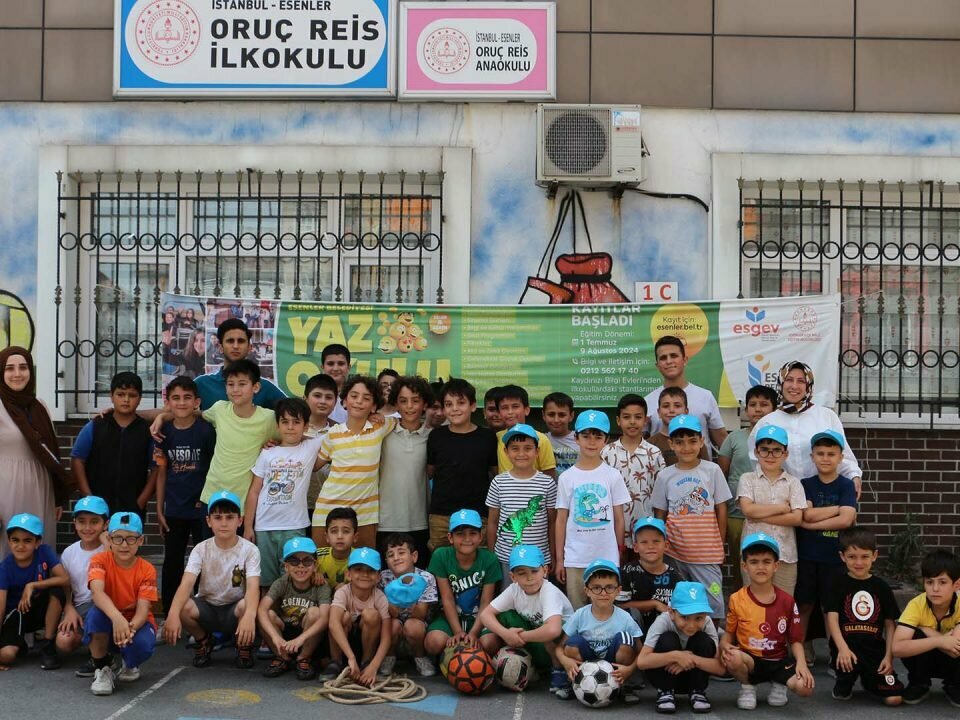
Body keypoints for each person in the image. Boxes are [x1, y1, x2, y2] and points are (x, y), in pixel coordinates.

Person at [163, 490, 261, 669]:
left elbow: (254, 587)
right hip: (207, 608)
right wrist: (172, 614)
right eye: (217, 517)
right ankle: (204, 640)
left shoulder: (250, 550)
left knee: (250, 605)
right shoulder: (201, 549)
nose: (224, 523)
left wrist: (249, 615)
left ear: (239, 520)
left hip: (234, 609)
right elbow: (186, 583)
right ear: (208, 521)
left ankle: (243, 644)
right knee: (183, 607)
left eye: (230, 517)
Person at [652, 415, 731, 623]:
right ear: (671, 444)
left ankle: (711, 643)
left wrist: (720, 543)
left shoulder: (712, 470)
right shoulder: (665, 476)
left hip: (707, 553)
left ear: (702, 441)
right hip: (675, 553)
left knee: (713, 603)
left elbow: (721, 508)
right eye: (679, 442)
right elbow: (660, 513)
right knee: (680, 603)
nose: (686, 447)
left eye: (692, 441)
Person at [721, 533, 814, 710]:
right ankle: (748, 686)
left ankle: (780, 683)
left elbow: (795, 639)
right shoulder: (736, 599)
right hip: (751, 660)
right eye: (754, 562)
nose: (760, 567)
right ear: (745, 566)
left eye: (766, 561)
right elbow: (729, 634)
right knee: (732, 658)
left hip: (778, 660)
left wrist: (802, 664)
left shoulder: (787, 600)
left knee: (806, 688)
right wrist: (724, 646)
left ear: (776, 566)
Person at [0, 347, 74, 558]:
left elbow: (51, 453)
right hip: (6, 490)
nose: (17, 374)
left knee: (39, 548)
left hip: (41, 488)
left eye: (23, 367)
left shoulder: (40, 406)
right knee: (8, 549)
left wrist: (58, 497)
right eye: (9, 368)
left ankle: (37, 591)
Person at [244, 398, 323, 591]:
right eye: (285, 422)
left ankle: (288, 619)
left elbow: (339, 433)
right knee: (266, 582)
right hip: (264, 527)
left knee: (294, 580)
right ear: (277, 425)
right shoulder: (267, 453)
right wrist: (248, 526)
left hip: (295, 526)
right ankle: (266, 618)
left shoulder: (310, 447)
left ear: (306, 426)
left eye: (296, 422)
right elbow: (254, 491)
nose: (290, 427)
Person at [750, 361, 863, 498]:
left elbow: (842, 453)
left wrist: (854, 476)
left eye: (801, 381)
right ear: (781, 383)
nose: (794, 386)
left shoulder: (826, 416)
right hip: (782, 497)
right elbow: (757, 462)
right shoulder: (767, 422)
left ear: (808, 385)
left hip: (823, 494)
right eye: (789, 380)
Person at [153, 376, 216, 615]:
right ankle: (170, 611)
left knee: (203, 560)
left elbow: (213, 467)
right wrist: (159, 509)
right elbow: (161, 471)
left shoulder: (206, 431)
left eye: (187, 398)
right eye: (176, 398)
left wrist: (207, 502)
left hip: (201, 507)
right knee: (173, 561)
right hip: (174, 509)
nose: (181, 403)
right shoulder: (164, 432)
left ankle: (201, 612)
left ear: (196, 402)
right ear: (167, 402)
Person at [312, 376, 397, 549]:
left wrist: (380, 416)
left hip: (364, 514)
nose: (359, 402)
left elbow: (402, 420)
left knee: (364, 569)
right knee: (321, 569)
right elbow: (313, 466)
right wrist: (278, 443)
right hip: (327, 511)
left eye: (366, 398)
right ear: (344, 401)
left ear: (373, 406)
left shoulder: (380, 427)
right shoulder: (332, 434)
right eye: (354, 396)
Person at [555, 411, 629, 609]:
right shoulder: (567, 477)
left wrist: (619, 550)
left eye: (598, 436)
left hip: (607, 557)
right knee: (577, 610)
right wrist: (560, 559)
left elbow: (619, 518)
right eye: (586, 435)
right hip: (576, 558)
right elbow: (561, 519)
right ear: (576, 438)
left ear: (606, 440)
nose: (591, 441)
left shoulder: (613, 475)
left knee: (605, 608)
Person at [795, 429, 858, 654]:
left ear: (841, 457)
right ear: (812, 456)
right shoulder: (805, 484)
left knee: (830, 608)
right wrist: (836, 509)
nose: (825, 458)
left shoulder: (846, 485)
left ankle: (836, 654)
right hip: (807, 556)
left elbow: (847, 519)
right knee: (804, 605)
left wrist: (810, 525)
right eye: (820, 453)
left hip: (835, 558)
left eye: (831, 454)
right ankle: (800, 652)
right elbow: (806, 514)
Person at [479, 545, 573, 693]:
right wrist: (506, 634)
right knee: (504, 616)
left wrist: (519, 636)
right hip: (536, 640)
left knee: (549, 629)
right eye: (522, 573)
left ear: (545, 570)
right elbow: (485, 614)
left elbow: (553, 630)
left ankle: (557, 669)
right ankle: (525, 665)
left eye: (534, 571)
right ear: (513, 577)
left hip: (562, 646)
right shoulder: (514, 589)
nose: (529, 578)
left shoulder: (549, 591)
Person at [825, 527, 903, 705]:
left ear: (874, 556)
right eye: (852, 557)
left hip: (874, 652)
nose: (858, 562)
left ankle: (870, 681)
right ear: (842, 556)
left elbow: (891, 624)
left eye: (864, 556)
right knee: (842, 693)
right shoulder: (837, 584)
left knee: (894, 698)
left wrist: (889, 656)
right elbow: (832, 619)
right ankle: (844, 680)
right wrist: (842, 649)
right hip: (847, 650)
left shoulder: (881, 587)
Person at [84, 512, 158, 696]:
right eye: (118, 538)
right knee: (94, 615)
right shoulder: (99, 560)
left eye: (131, 539)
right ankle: (102, 668)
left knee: (142, 645)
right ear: (108, 539)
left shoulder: (147, 569)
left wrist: (129, 627)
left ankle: (130, 664)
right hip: (110, 618)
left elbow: (143, 610)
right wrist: (117, 618)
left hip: (133, 622)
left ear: (141, 540)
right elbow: (97, 593)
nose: (124, 545)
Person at [555, 559, 643, 701]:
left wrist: (630, 669)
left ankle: (622, 686)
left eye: (609, 587)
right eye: (596, 588)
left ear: (618, 591)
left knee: (625, 639)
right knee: (572, 642)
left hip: (613, 663)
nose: (603, 593)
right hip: (587, 663)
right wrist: (565, 661)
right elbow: (559, 647)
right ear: (587, 591)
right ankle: (576, 684)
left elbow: (641, 651)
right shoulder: (579, 615)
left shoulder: (625, 618)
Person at [426, 378, 498, 551]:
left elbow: (495, 473)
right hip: (442, 516)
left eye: (461, 403)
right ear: (443, 409)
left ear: (473, 406)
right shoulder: (436, 436)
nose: (455, 408)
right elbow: (430, 472)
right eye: (449, 404)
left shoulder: (487, 437)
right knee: (441, 562)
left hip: (478, 514)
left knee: (477, 565)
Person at [717, 385, 778, 590]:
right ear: (745, 410)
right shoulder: (734, 438)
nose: (758, 409)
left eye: (764, 404)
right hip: (736, 514)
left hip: (769, 513)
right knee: (740, 563)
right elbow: (722, 474)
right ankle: (740, 603)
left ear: (775, 409)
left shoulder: (780, 440)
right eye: (752, 405)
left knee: (765, 561)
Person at [72, 371, 154, 521]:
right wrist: (87, 496)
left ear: (140, 398)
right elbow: (78, 459)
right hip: (96, 505)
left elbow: (156, 468)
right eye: (121, 394)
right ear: (111, 396)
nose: (126, 400)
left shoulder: (146, 431)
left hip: (131, 507)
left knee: (127, 543)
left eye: (132, 395)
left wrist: (141, 500)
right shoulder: (95, 426)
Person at [198, 360, 278, 510]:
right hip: (213, 494)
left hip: (244, 500)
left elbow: (289, 438)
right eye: (230, 384)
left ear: (256, 387)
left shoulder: (268, 418)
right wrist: (162, 417)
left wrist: (274, 445)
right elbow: (195, 414)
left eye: (242, 384)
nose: (235, 389)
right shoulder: (219, 409)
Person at [636, 581, 725, 714]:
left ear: (706, 615)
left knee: (703, 640)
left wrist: (691, 659)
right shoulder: (664, 620)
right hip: (664, 675)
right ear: (671, 612)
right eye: (684, 617)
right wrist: (676, 656)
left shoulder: (707, 623)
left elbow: (720, 668)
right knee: (668, 638)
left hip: (692, 677)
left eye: (698, 618)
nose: (691, 625)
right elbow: (642, 662)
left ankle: (697, 691)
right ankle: (665, 691)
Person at [736, 425, 805, 596]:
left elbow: (797, 518)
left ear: (785, 454)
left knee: (784, 604)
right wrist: (782, 509)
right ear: (756, 452)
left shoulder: (793, 482)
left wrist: (759, 515)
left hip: (785, 555)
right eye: (765, 450)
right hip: (753, 554)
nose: (770, 455)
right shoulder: (747, 479)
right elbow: (747, 509)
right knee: (753, 603)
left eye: (776, 450)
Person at [486, 424, 557, 587]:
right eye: (515, 448)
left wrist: (552, 555)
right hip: (506, 558)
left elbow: (552, 522)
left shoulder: (547, 483)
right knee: (509, 603)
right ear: (506, 452)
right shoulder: (498, 482)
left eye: (528, 448)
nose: (521, 454)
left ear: (537, 451)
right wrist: (492, 556)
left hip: (539, 559)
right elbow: (492, 522)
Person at [424, 510, 502, 658]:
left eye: (472, 533)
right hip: (450, 616)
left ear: (480, 537)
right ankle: (449, 661)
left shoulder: (489, 559)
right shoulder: (441, 555)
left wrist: (473, 633)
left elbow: (486, 601)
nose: (467, 539)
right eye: (460, 534)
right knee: (433, 642)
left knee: (490, 643)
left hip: (479, 616)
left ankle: (474, 662)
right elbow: (447, 598)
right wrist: (458, 632)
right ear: (450, 537)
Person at [0, 513, 68, 670]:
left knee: (57, 590)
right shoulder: (4, 568)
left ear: (37, 542)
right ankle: (18, 643)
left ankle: (48, 645)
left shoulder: (44, 551)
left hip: (38, 609)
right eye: (15, 540)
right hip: (15, 614)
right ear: (9, 541)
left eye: (27, 540)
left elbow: (64, 579)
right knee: (6, 656)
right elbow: (1, 608)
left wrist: (32, 585)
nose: (20, 545)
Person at [892, 549, 960, 706]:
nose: (935, 589)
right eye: (929, 582)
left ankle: (955, 684)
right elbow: (897, 647)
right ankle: (919, 683)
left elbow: (956, 648)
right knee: (914, 634)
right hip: (924, 658)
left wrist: (928, 630)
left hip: (952, 662)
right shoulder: (916, 604)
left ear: (956, 584)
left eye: (942, 582)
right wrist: (940, 641)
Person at [257, 537, 330, 681]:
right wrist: (275, 637)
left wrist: (300, 639)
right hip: (285, 633)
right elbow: (261, 609)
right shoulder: (281, 583)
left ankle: (304, 658)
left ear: (315, 565)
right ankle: (282, 657)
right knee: (268, 614)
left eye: (307, 561)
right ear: (286, 566)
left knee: (316, 613)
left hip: (308, 635)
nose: (301, 566)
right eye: (294, 561)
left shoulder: (321, 585)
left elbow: (325, 618)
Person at [377, 376, 433, 562]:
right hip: (385, 521)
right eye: (403, 401)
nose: (409, 406)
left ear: (424, 404)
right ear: (395, 404)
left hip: (420, 521)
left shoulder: (432, 437)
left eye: (415, 400)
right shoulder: (383, 433)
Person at [644, 336, 727, 457]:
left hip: (700, 473)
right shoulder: (648, 401)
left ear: (685, 360)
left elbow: (722, 440)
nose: (669, 361)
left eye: (674, 356)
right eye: (663, 358)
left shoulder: (705, 397)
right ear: (657, 365)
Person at [601, 394, 665, 548]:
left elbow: (661, 493)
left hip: (646, 529)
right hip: (614, 530)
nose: (632, 422)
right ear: (618, 420)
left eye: (638, 417)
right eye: (626, 417)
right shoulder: (607, 453)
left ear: (645, 420)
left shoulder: (654, 453)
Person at [56, 496, 110, 673]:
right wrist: (69, 608)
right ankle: (94, 644)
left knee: (99, 611)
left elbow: (116, 576)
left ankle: (101, 654)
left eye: (94, 522)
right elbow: (66, 586)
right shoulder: (69, 552)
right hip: (80, 608)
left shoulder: (110, 549)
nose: (87, 528)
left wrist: (107, 545)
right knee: (63, 642)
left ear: (105, 524)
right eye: (81, 522)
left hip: (106, 606)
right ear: (74, 523)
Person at [327, 547, 392, 686]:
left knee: (371, 614)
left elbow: (387, 636)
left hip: (366, 645)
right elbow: (333, 623)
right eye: (358, 570)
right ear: (348, 574)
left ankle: (366, 663)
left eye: (370, 571)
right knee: (342, 617)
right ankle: (336, 662)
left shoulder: (380, 597)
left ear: (378, 576)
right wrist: (351, 658)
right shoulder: (343, 592)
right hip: (344, 645)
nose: (364, 574)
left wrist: (374, 666)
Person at [378, 532, 438, 677]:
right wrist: (392, 609)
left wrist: (408, 601)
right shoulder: (382, 578)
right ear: (386, 560)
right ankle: (389, 656)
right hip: (392, 631)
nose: (396, 558)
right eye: (391, 555)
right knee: (392, 624)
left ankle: (420, 657)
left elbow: (421, 613)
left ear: (414, 556)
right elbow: (386, 612)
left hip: (417, 630)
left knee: (413, 625)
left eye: (401, 553)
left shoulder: (425, 578)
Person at [193, 318, 286, 411]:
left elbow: (293, 413)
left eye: (241, 341)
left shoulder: (264, 387)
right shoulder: (202, 385)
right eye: (230, 341)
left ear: (249, 348)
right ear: (220, 347)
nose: (236, 346)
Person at [619, 517, 686, 634]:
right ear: (635, 547)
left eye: (656, 541)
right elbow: (619, 606)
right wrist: (654, 604)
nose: (650, 546)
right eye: (644, 542)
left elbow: (683, 609)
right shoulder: (627, 572)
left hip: (665, 633)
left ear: (666, 545)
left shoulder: (676, 577)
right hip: (632, 631)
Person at [495, 385, 556, 477]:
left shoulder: (542, 439)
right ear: (499, 413)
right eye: (504, 408)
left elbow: (549, 475)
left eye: (515, 406)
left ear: (526, 410)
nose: (510, 412)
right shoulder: (497, 437)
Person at [303, 373, 337, 518]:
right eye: (317, 395)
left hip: (329, 507)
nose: (323, 401)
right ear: (305, 398)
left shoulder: (339, 431)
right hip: (297, 508)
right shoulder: (290, 429)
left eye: (329, 397)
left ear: (335, 402)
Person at [647, 387, 709, 467]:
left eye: (677, 406)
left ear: (686, 411)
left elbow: (707, 472)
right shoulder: (650, 444)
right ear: (659, 412)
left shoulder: (696, 442)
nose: (671, 410)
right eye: (666, 406)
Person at [315, 507, 358, 589]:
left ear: (355, 537)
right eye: (334, 531)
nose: (340, 536)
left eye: (346, 531)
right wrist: (312, 576)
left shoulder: (360, 558)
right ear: (326, 537)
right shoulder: (317, 556)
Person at [542, 392, 579, 476]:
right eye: (551, 414)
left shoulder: (581, 440)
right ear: (543, 415)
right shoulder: (540, 440)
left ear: (571, 416)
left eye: (562, 415)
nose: (556, 420)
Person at [321, 343, 351, 423]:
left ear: (349, 367)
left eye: (341, 364)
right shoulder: (314, 396)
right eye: (330, 364)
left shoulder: (356, 396)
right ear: (322, 367)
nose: (335, 368)